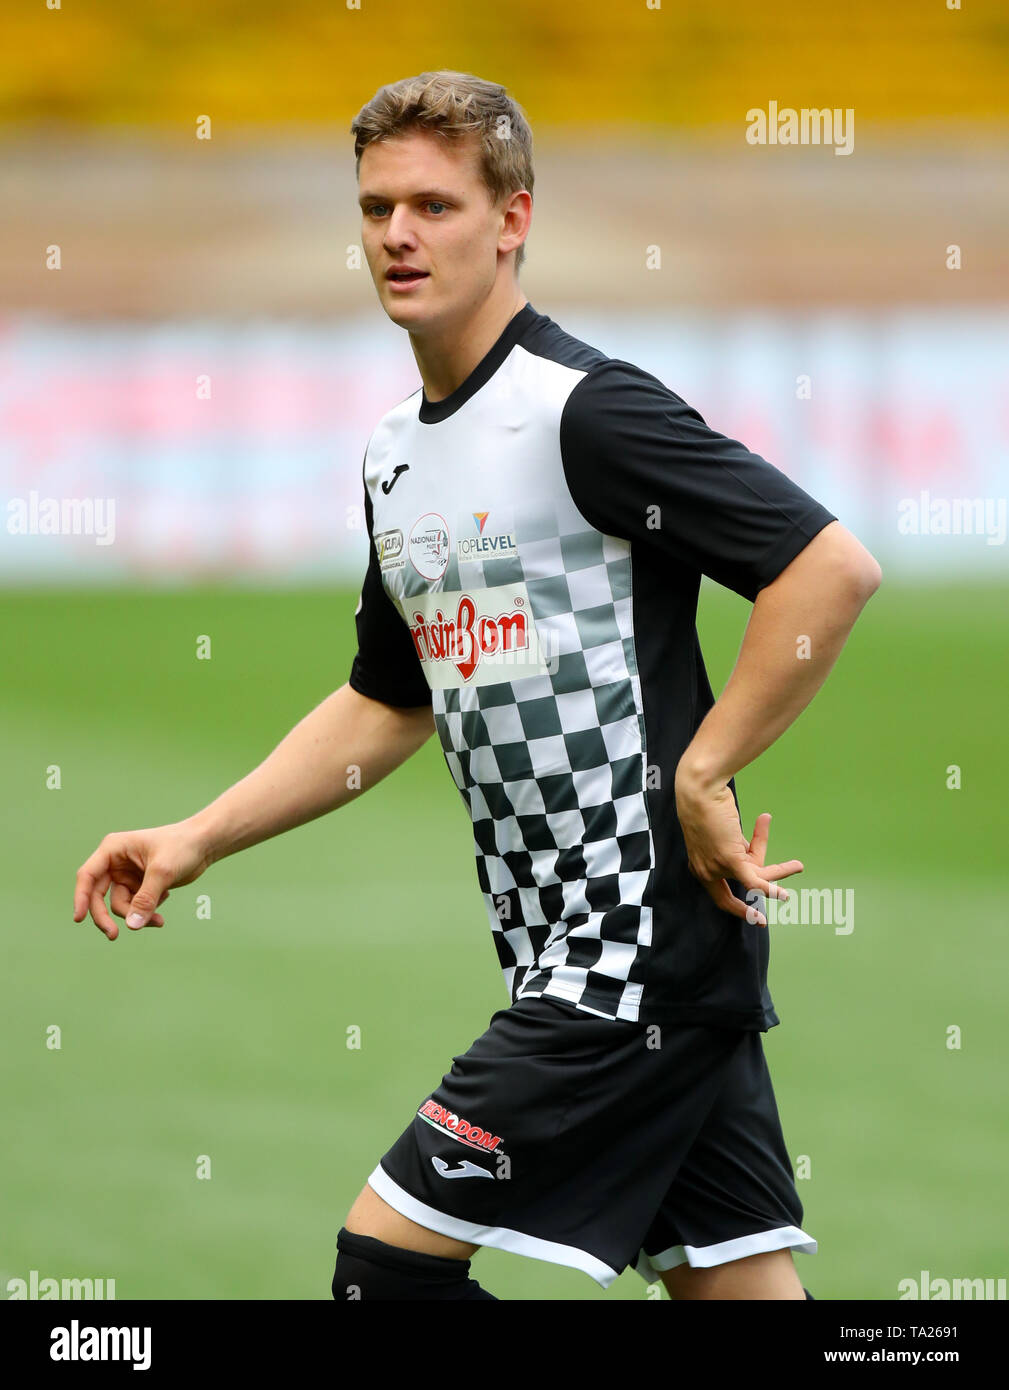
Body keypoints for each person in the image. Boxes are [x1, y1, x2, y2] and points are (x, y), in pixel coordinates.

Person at [74, 70, 881, 1301]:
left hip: (632, 941)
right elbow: (387, 700)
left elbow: (827, 567)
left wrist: (705, 766)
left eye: (435, 206)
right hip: (580, 944)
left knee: (380, 1275)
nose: (397, 234)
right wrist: (196, 836)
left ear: (512, 218)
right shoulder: (395, 454)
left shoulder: (586, 412)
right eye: (376, 206)